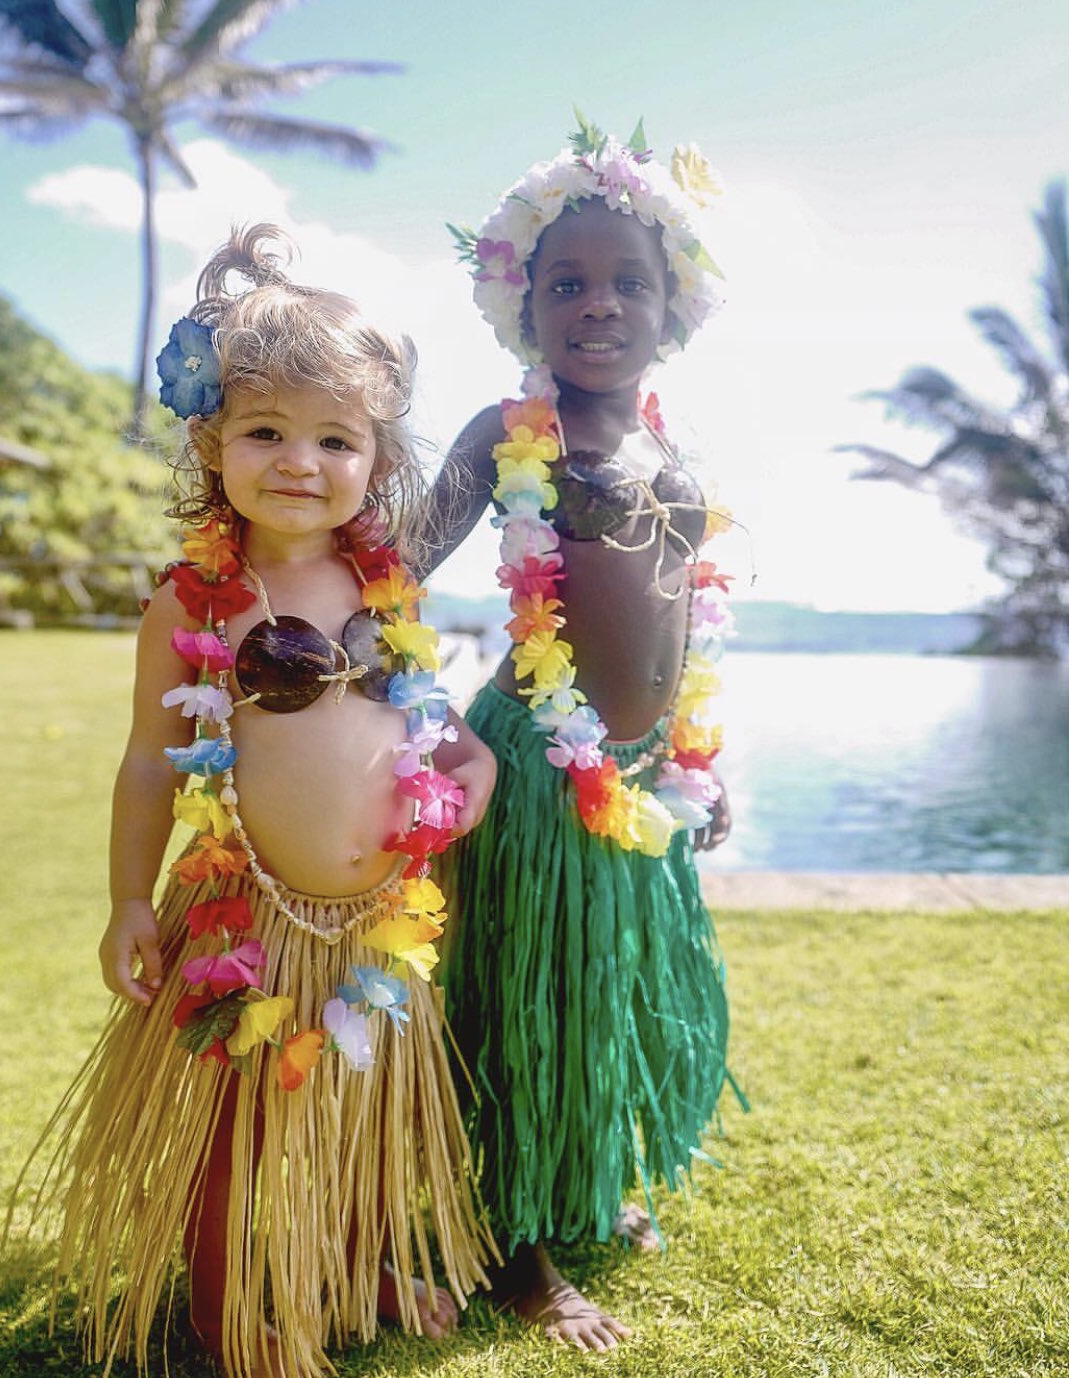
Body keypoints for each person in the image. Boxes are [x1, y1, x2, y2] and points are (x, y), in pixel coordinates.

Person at [13, 225, 497, 1378]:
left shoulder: (391, 587)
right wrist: (130, 899)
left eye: (335, 437)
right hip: (246, 923)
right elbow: (147, 758)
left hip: (380, 922)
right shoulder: (190, 598)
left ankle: (363, 1257)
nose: (299, 460)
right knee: (235, 1128)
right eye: (266, 430)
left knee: (370, 1116)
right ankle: (228, 1309)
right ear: (210, 439)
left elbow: (439, 723)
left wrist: (474, 775)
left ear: (376, 461)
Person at [425, 118, 744, 1352]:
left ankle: (588, 1177)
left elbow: (687, 629)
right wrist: (431, 718)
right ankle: (517, 1245)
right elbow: (389, 573)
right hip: (541, 766)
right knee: (525, 994)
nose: (597, 303)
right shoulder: (509, 440)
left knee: (609, 993)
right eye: (567, 282)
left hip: (647, 772)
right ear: (525, 303)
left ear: (675, 309)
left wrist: (708, 755)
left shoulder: (680, 450)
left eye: (628, 282)